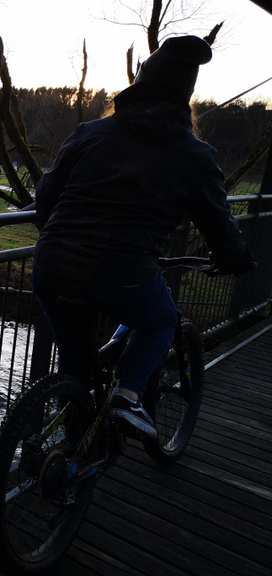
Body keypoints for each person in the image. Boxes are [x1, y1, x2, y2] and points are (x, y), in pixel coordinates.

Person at [32, 35, 255, 439]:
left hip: (53, 263)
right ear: (184, 95)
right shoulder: (193, 154)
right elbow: (217, 220)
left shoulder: (90, 133)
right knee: (162, 321)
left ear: (138, 86)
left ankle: (69, 458)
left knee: (76, 364)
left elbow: (46, 199)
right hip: (123, 270)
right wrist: (236, 257)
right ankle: (127, 397)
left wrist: (60, 234)